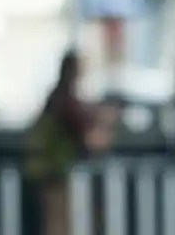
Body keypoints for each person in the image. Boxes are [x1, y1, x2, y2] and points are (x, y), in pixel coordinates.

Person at [25, 50, 113, 235]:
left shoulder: (58, 95)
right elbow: (83, 129)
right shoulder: (66, 99)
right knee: (57, 219)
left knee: (56, 218)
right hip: (54, 168)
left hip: (47, 166)